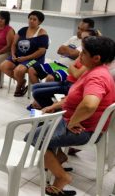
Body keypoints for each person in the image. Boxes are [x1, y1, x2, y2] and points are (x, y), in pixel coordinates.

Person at [28, 36, 115, 196]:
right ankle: (59, 158)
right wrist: (53, 106)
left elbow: (89, 104)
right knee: (39, 128)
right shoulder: (93, 70)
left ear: (96, 58)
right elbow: (73, 97)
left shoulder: (97, 77)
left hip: (82, 129)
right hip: (72, 120)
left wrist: (72, 122)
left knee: (32, 139)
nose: (79, 56)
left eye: (84, 54)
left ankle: (63, 177)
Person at [28, 29, 100, 110]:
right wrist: (73, 66)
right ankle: (47, 106)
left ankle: (50, 108)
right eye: (82, 38)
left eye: (86, 38)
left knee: (38, 91)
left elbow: (76, 74)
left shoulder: (90, 58)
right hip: (66, 78)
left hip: (71, 85)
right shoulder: (82, 51)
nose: (82, 40)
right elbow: (62, 53)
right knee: (35, 85)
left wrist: (72, 66)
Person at [28, 18, 94, 84]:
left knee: (50, 78)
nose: (79, 31)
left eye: (82, 30)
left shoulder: (87, 43)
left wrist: (67, 49)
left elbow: (74, 54)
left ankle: (42, 92)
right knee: (31, 70)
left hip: (68, 69)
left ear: (89, 31)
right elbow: (59, 50)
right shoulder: (73, 38)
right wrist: (70, 51)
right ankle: (39, 92)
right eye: (78, 28)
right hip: (57, 64)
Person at [0, 10, 49, 97]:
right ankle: (22, 81)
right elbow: (14, 44)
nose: (31, 21)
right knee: (3, 66)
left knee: (19, 70)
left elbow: (41, 51)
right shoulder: (23, 30)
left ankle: (19, 87)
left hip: (34, 59)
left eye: (34, 19)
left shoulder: (42, 33)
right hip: (19, 56)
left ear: (40, 22)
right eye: (30, 18)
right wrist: (13, 54)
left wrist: (25, 58)